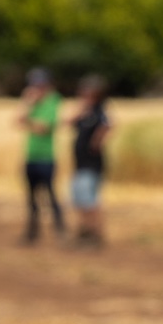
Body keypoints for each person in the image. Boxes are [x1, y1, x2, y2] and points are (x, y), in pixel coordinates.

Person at [16, 68, 65, 244]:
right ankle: (32, 233)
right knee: (31, 198)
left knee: (50, 196)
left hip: (46, 157)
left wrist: (29, 120)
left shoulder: (53, 101)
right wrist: (28, 104)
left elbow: (44, 128)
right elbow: (17, 120)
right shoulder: (33, 103)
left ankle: (60, 232)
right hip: (31, 156)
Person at [70, 75, 114, 247]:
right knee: (80, 200)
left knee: (90, 201)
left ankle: (95, 234)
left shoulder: (99, 112)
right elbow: (67, 122)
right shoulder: (85, 112)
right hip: (81, 164)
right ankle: (85, 232)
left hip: (92, 164)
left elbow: (110, 124)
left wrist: (97, 139)